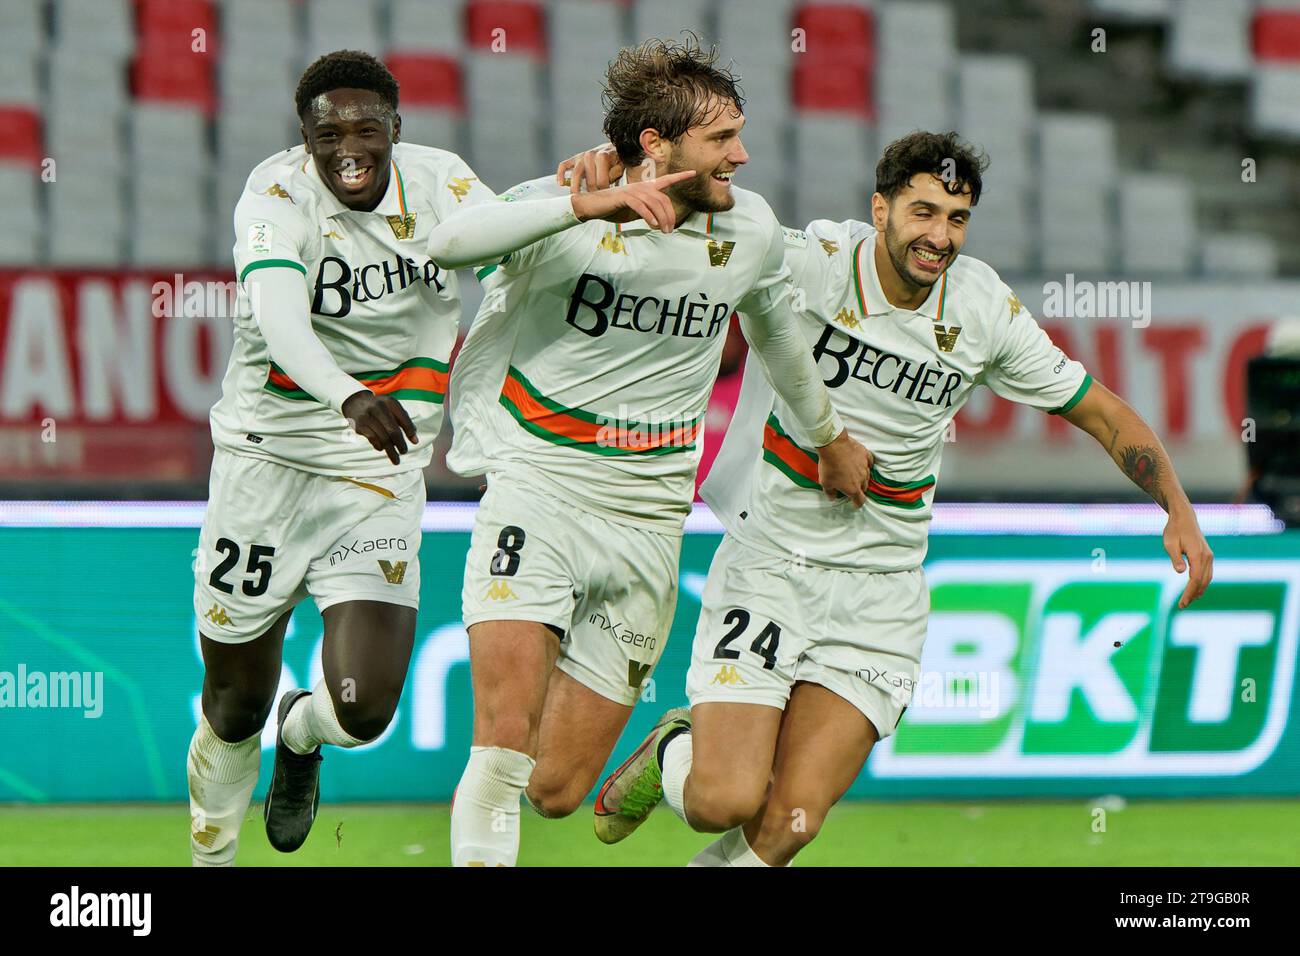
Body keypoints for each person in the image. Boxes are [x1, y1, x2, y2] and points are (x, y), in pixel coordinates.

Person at [586, 130, 1215, 866]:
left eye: (957, 218)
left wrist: (1177, 505)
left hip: (880, 596)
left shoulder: (983, 311)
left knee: (787, 824)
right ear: (879, 210)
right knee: (722, 801)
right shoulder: (814, 262)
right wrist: (609, 181)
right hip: (769, 567)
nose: (939, 236)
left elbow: (1101, 411)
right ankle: (677, 749)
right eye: (923, 212)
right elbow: (697, 216)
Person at [425, 37, 872, 867]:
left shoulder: (749, 229)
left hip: (649, 521)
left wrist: (829, 437)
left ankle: (669, 751)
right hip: (540, 490)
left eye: (739, 133)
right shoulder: (574, 203)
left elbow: (776, 339)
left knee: (555, 793)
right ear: (657, 147)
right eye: (720, 139)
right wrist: (581, 209)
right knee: (500, 754)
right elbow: (448, 241)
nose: (742, 153)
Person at [188, 49, 496, 865]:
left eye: (368, 127)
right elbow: (280, 314)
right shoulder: (274, 196)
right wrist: (347, 394)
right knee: (231, 704)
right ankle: (210, 854)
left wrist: (586, 205)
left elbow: (510, 249)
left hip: (376, 471)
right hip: (266, 463)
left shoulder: (442, 186)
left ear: (398, 128)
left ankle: (305, 732)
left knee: (361, 709)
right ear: (305, 137)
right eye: (330, 133)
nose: (349, 146)